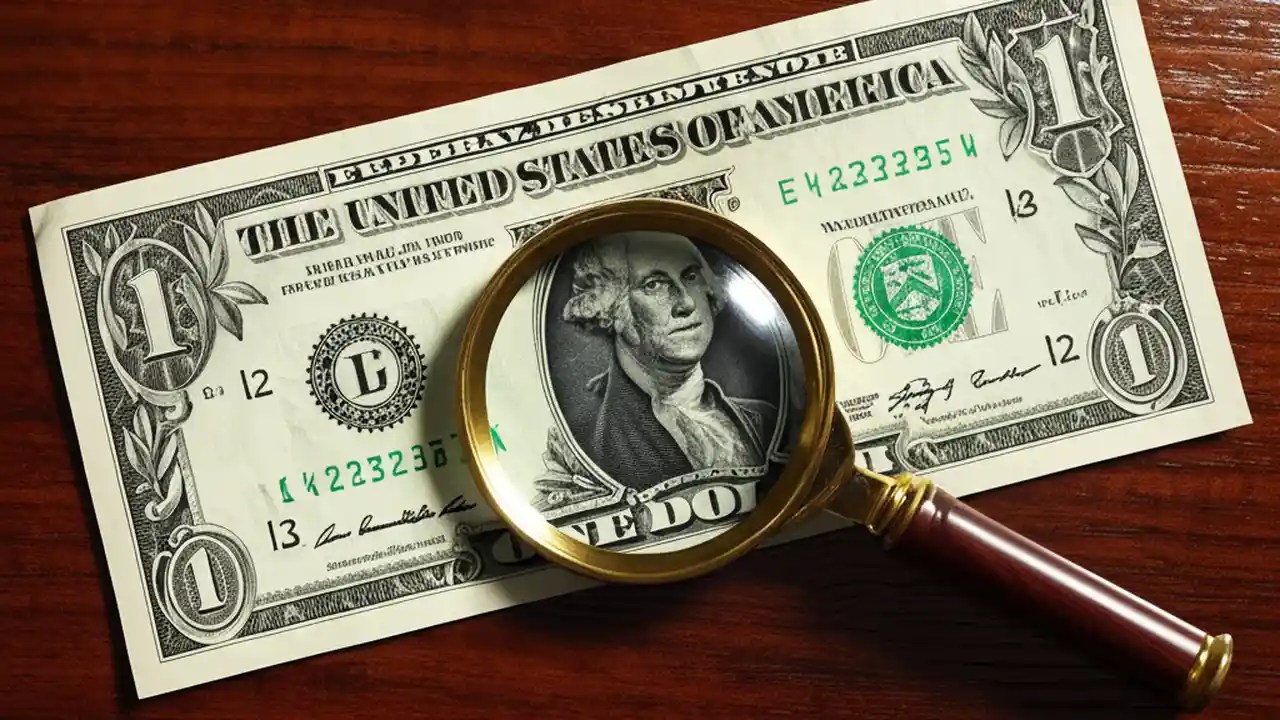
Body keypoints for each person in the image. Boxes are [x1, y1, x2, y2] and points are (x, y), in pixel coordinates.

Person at [533, 230, 779, 510]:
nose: (686, 303)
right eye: (654, 285)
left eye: (690, 276)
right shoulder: (582, 445)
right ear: (611, 307)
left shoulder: (763, 419)